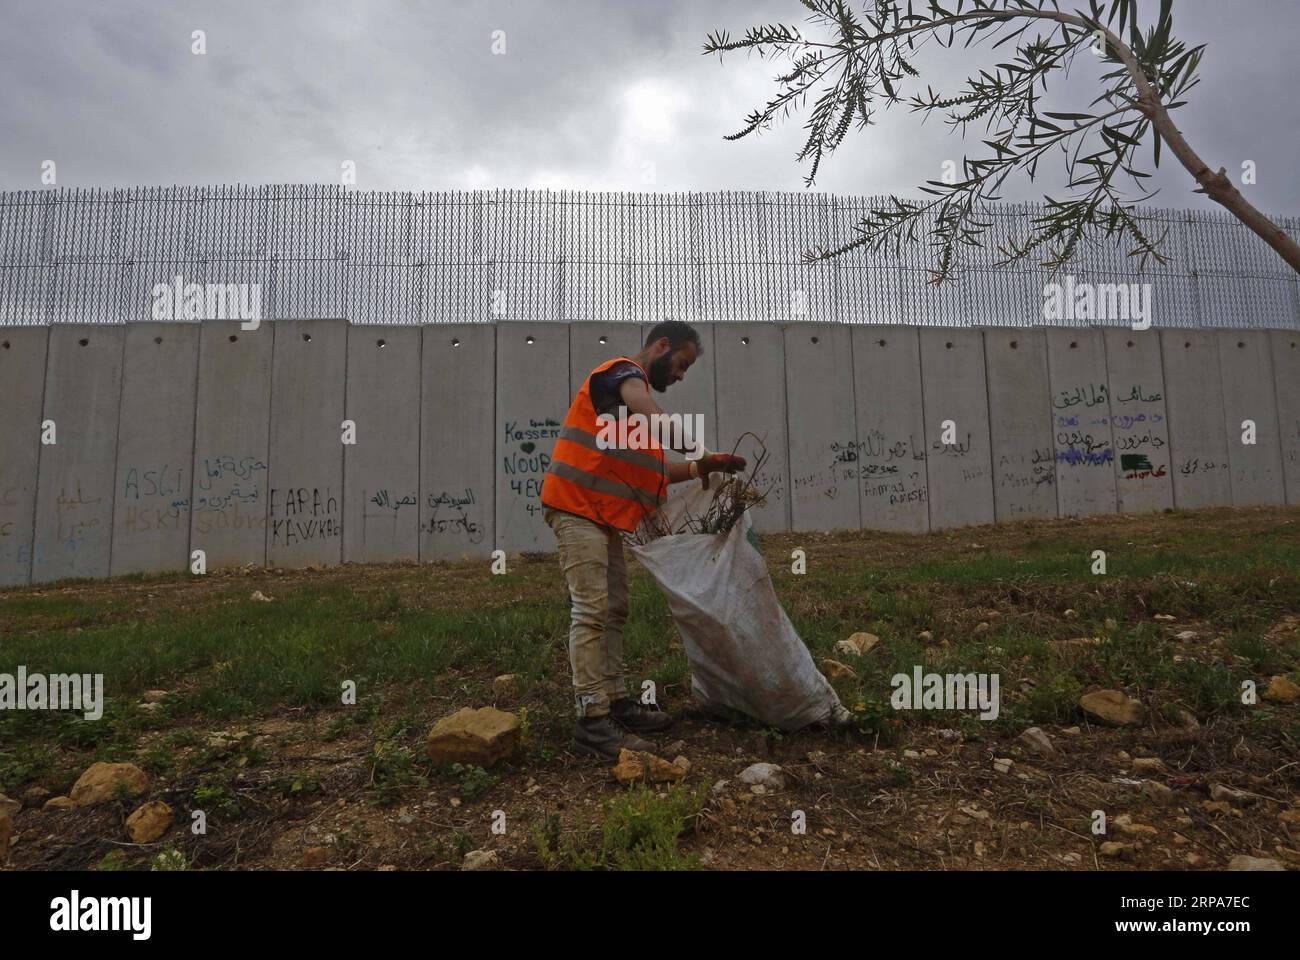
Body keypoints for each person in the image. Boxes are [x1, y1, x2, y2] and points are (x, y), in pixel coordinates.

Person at [540, 319, 746, 762]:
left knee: (614, 608)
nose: (681, 374)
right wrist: (699, 450)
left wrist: (701, 469)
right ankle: (591, 722)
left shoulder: (628, 418)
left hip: (598, 517)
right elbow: (647, 408)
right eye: (682, 363)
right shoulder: (622, 375)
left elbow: (652, 474)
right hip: (575, 508)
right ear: (662, 346)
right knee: (593, 608)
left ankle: (613, 703)